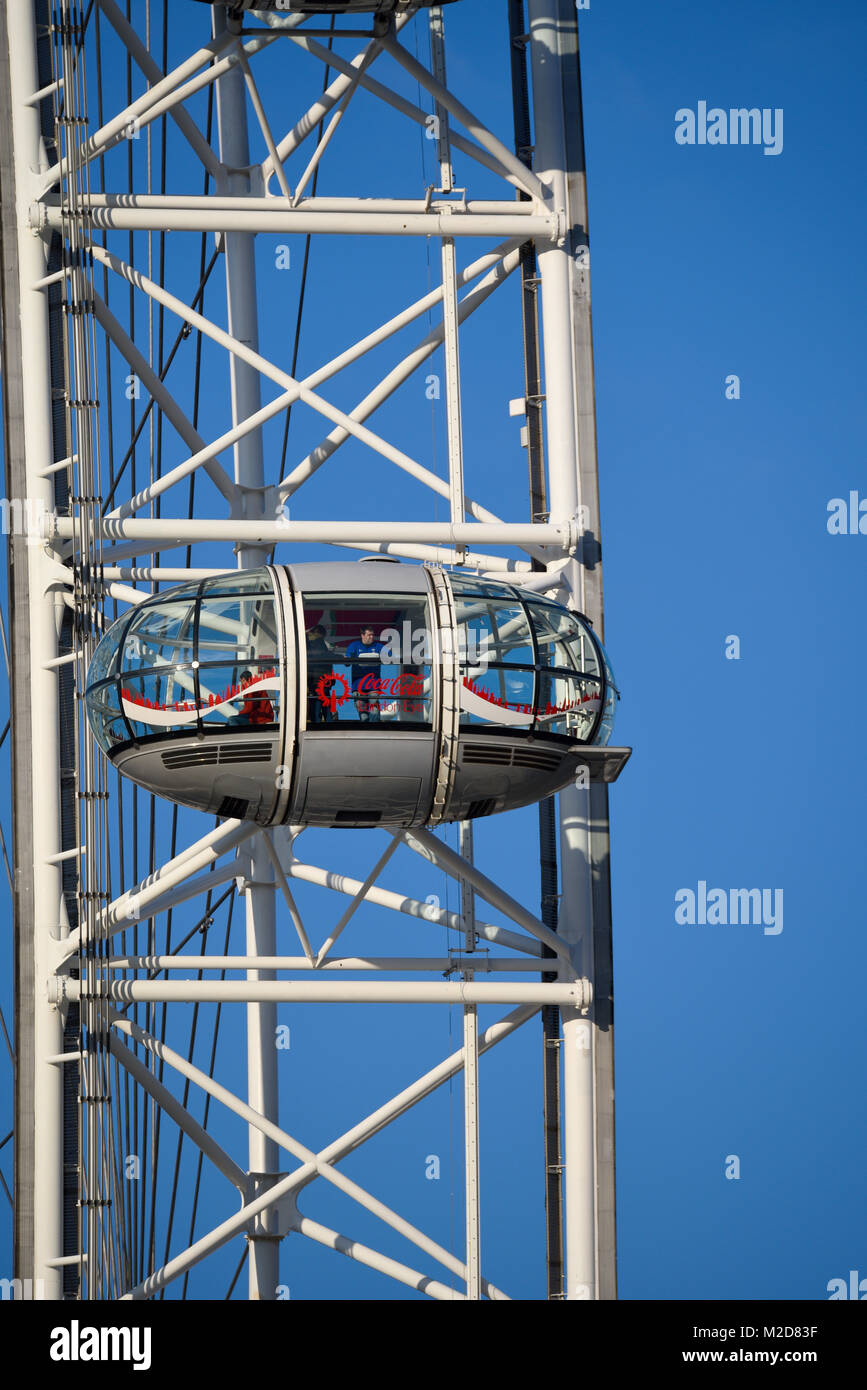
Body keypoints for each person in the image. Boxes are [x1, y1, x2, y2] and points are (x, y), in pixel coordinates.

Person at [344, 624, 386, 722]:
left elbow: (391, 656)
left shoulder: (378, 646)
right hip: (358, 686)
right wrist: (349, 659)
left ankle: (375, 732)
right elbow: (346, 662)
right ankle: (367, 733)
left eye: (372, 635)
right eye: (369, 635)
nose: (371, 637)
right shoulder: (354, 645)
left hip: (373, 685)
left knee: (374, 712)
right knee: (363, 717)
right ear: (362, 635)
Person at [306, 624, 335, 724]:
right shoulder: (317, 642)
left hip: (315, 678)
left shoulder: (309, 641)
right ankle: (324, 723)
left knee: (318, 703)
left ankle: (317, 724)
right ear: (319, 633)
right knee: (323, 703)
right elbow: (324, 657)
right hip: (319, 678)